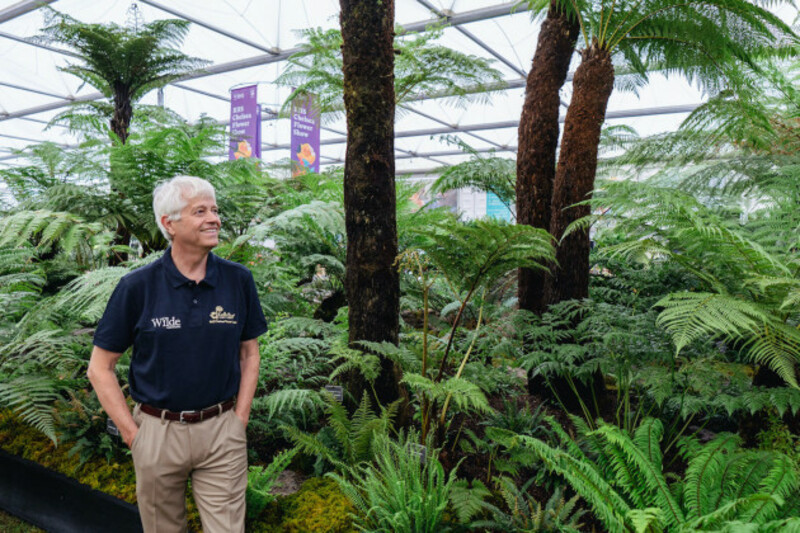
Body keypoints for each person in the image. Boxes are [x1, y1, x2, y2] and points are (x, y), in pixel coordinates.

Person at [87, 175, 267, 533]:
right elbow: (99, 368)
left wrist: (240, 420)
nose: (214, 219)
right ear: (169, 223)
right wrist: (133, 435)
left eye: (214, 210)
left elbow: (250, 354)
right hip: (157, 432)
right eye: (200, 211)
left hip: (222, 431)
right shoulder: (137, 287)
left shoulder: (238, 280)